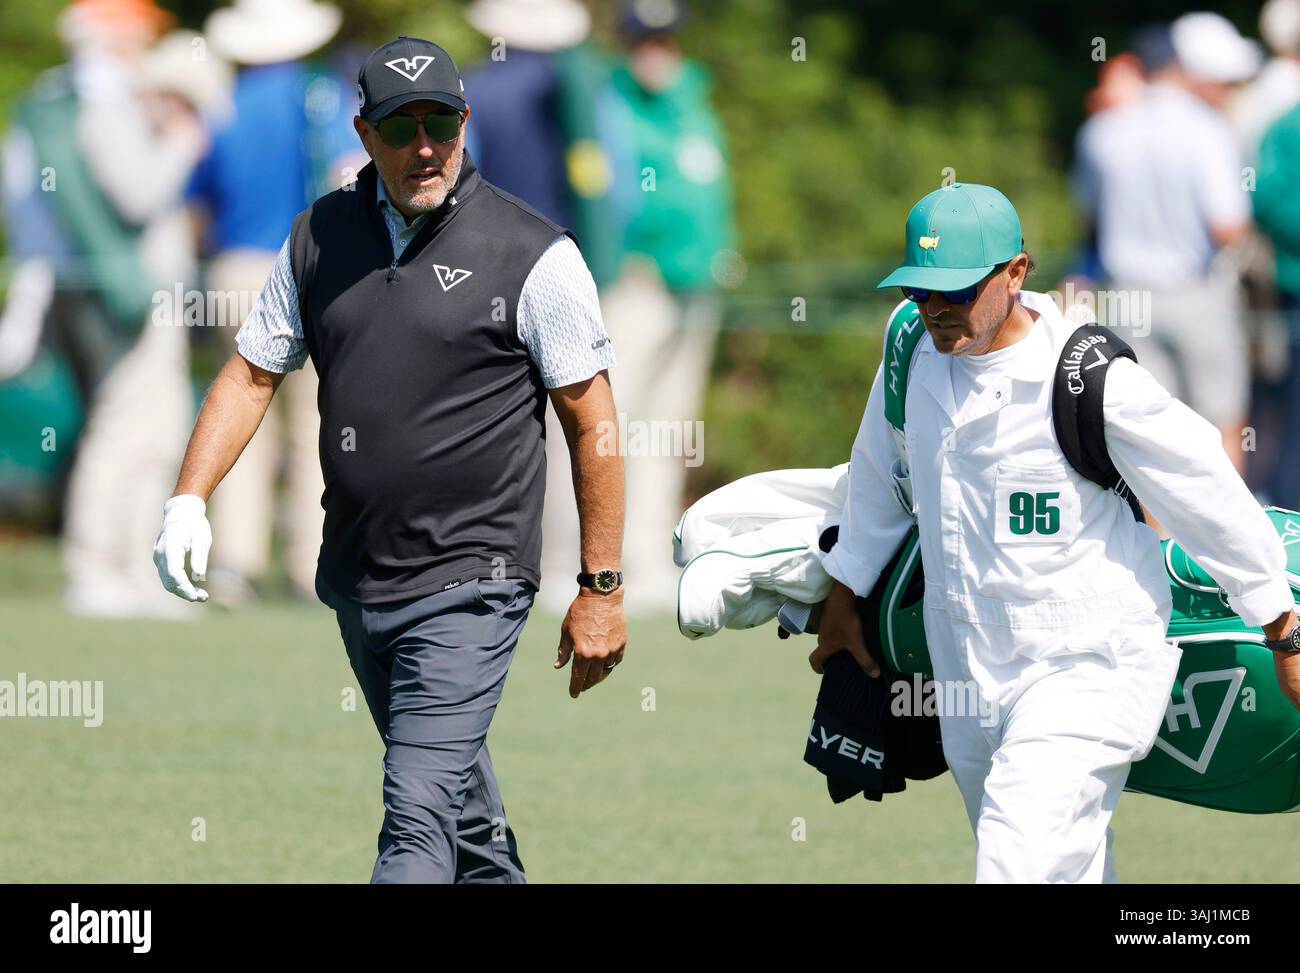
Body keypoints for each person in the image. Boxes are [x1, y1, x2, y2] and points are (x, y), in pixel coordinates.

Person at [153, 36, 628, 884]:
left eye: (440, 123)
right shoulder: (319, 234)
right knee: (467, 828)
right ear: (364, 132)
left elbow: (592, 420)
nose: (425, 148)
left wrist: (600, 586)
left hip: (473, 579)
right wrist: (189, 498)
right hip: (362, 576)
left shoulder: (536, 253)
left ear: (464, 122)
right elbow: (252, 371)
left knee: (413, 823)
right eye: (402, 127)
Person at [812, 183, 1300, 883]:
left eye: (955, 290)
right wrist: (844, 593)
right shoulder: (909, 343)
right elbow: (877, 467)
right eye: (920, 290)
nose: (935, 309)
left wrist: (1283, 626)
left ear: (1016, 273)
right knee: (1059, 865)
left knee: (1017, 862)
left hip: (1084, 658)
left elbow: (1204, 489)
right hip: (965, 664)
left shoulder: (1087, 375)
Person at [186, 0, 363, 603]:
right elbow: (349, 181)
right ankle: (308, 561)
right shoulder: (325, 97)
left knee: (238, 414)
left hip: (233, 268)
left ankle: (234, 563)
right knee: (317, 420)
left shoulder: (223, 104)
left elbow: (198, 206)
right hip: (308, 263)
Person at [597, 0, 738, 615]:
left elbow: (708, 192)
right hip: (637, 283)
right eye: (641, 40)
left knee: (669, 427)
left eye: (663, 39)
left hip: (695, 287)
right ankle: (598, 559)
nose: (653, 51)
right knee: (613, 424)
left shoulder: (695, 103)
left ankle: (650, 554)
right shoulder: (611, 106)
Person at [1073, 13, 1260, 473]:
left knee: (1148, 432)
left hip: (1128, 297)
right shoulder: (1207, 130)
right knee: (1222, 423)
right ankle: (1222, 541)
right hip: (1198, 293)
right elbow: (1228, 227)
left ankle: (1158, 543)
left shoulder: (1103, 130)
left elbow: (1088, 214)